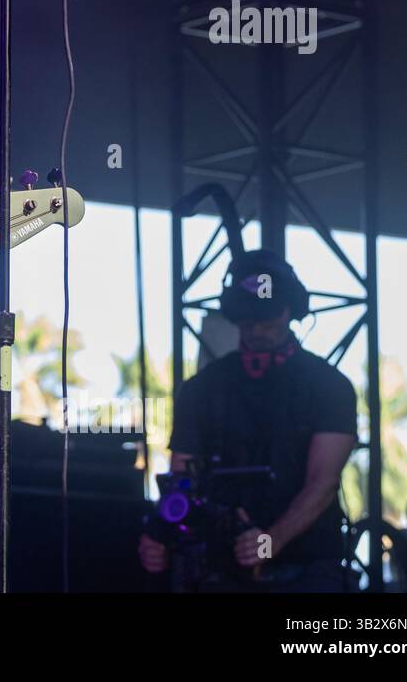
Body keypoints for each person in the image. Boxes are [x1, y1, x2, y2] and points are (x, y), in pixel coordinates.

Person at [138, 250, 358, 592]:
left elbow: (322, 483)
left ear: (291, 312)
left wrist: (269, 543)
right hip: (221, 566)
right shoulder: (202, 389)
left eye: (268, 318)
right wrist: (159, 536)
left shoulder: (329, 385)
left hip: (307, 567)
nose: (258, 328)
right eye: (248, 319)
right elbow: (182, 477)